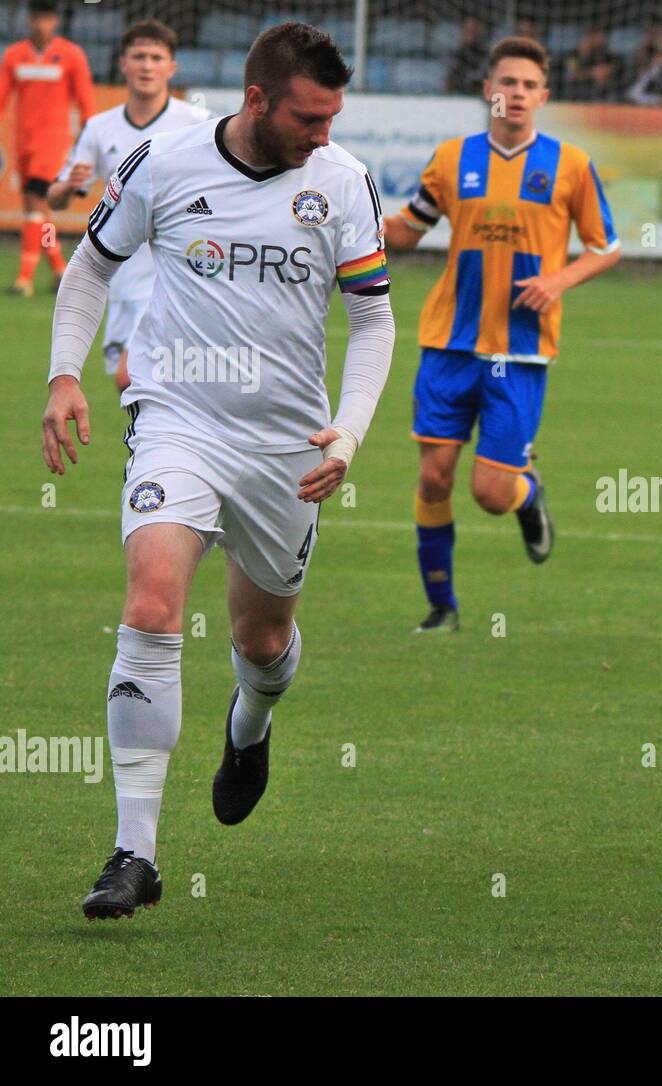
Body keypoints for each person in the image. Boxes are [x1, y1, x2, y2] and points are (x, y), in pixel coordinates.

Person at [41, 22, 395, 920]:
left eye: (333, 117)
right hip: (177, 419)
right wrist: (63, 377)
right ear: (257, 101)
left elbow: (375, 322)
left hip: (287, 446)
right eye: (310, 117)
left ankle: (252, 724)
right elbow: (87, 268)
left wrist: (346, 435)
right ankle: (135, 852)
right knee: (152, 602)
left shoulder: (344, 182)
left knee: (263, 641)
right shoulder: (163, 159)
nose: (325, 133)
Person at [382, 37, 621, 634]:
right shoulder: (449, 158)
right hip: (448, 341)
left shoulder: (570, 165)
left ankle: (527, 492)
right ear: (487, 91)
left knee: (491, 491)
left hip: (520, 349)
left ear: (544, 95)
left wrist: (558, 280)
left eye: (526, 85)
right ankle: (442, 606)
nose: (514, 94)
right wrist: (344, 220)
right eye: (505, 83)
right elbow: (409, 231)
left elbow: (606, 247)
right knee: (434, 476)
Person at [48, 19, 207, 392]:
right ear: (123, 63)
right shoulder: (100, 128)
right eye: (139, 56)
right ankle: (156, 448)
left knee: (133, 376)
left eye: (156, 57)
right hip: (122, 276)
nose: (147, 66)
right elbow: (55, 198)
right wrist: (67, 186)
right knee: (136, 386)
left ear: (172, 67)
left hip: (177, 273)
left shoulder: (196, 124)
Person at [0, 0, 95, 297]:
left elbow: (86, 102)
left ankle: (24, 278)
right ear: (29, 21)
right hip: (23, 143)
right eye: (37, 18)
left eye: (47, 18)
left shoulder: (71, 55)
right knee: (34, 209)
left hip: (52, 144)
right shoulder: (15, 55)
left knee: (37, 204)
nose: (42, 24)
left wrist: (87, 138)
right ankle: (59, 269)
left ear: (54, 21)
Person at [559, 28, 624, 102]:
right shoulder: (572, 56)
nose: (603, 40)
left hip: (598, 92)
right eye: (599, 36)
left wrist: (607, 70)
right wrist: (592, 73)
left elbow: (615, 65)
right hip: (576, 93)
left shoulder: (602, 55)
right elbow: (571, 75)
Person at [447, 15, 489, 96]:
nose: (470, 34)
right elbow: (451, 77)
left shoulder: (485, 53)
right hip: (460, 97)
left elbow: (484, 75)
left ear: (479, 32)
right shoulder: (456, 54)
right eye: (467, 30)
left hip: (479, 96)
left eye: (473, 30)